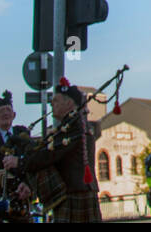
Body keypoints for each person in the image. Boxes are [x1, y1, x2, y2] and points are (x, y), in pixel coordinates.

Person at [7, 81, 102, 223]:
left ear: (69, 103)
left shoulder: (74, 127)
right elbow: (51, 156)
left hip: (75, 194)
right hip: (74, 193)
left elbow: (48, 156)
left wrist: (19, 162)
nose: (52, 104)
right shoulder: (70, 126)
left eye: (56, 100)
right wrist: (28, 184)